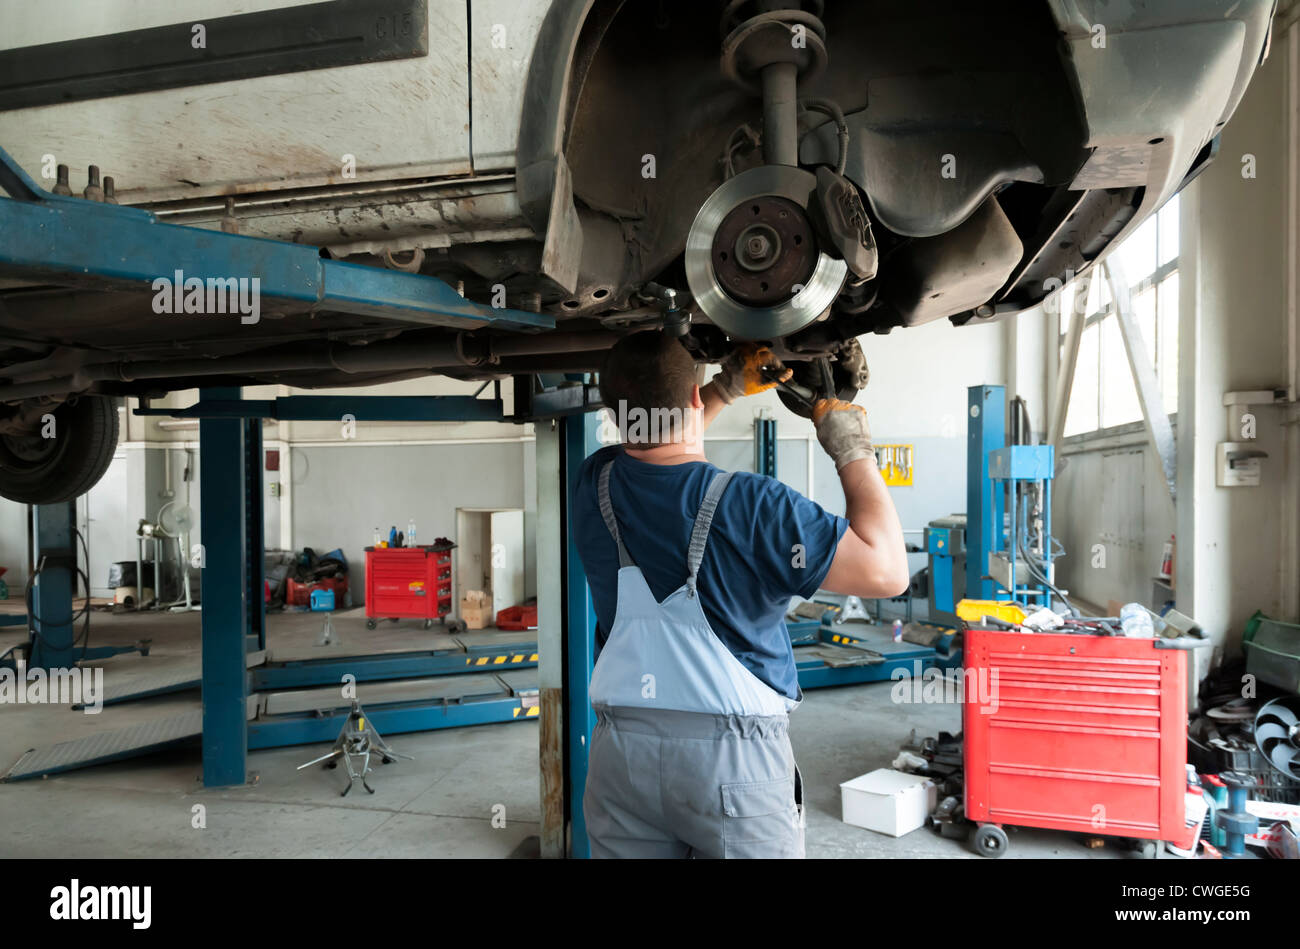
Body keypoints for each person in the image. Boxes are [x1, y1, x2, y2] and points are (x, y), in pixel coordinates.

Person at [572, 330, 909, 858]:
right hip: (733, 764)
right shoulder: (755, 506)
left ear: (613, 413)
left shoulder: (594, 484)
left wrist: (725, 388)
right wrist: (852, 448)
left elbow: (657, 444)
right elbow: (887, 571)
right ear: (689, 398)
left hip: (622, 762)